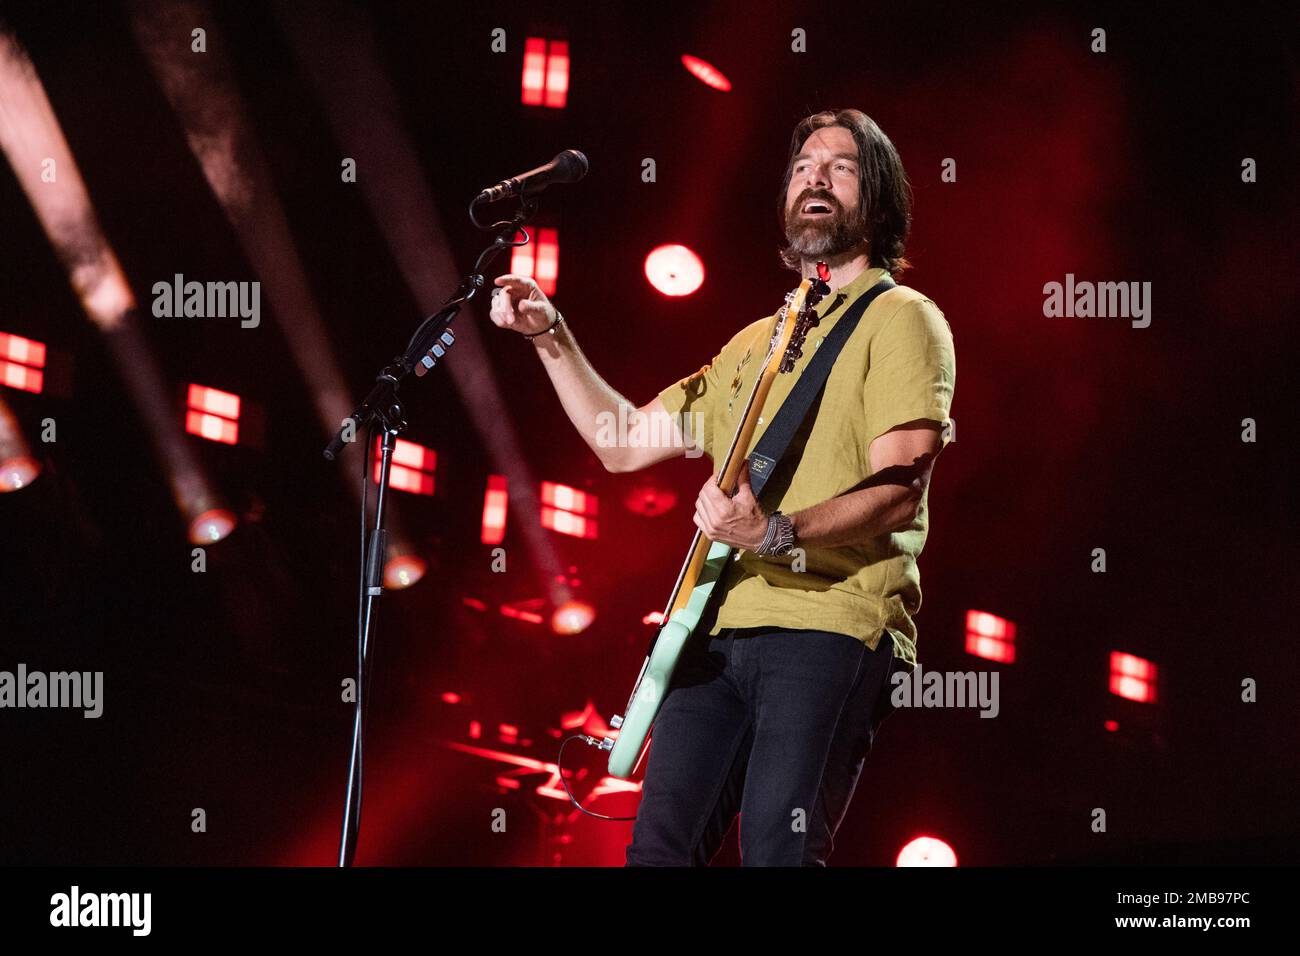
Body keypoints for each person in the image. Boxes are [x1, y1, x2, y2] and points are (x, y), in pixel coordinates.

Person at [489, 108, 956, 866]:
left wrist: (776, 533)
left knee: (777, 850)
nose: (816, 177)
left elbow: (901, 486)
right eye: (804, 165)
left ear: (878, 203)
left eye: (841, 167)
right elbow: (623, 443)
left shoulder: (902, 318)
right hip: (711, 631)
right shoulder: (756, 342)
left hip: (827, 623)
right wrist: (551, 334)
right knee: (657, 853)